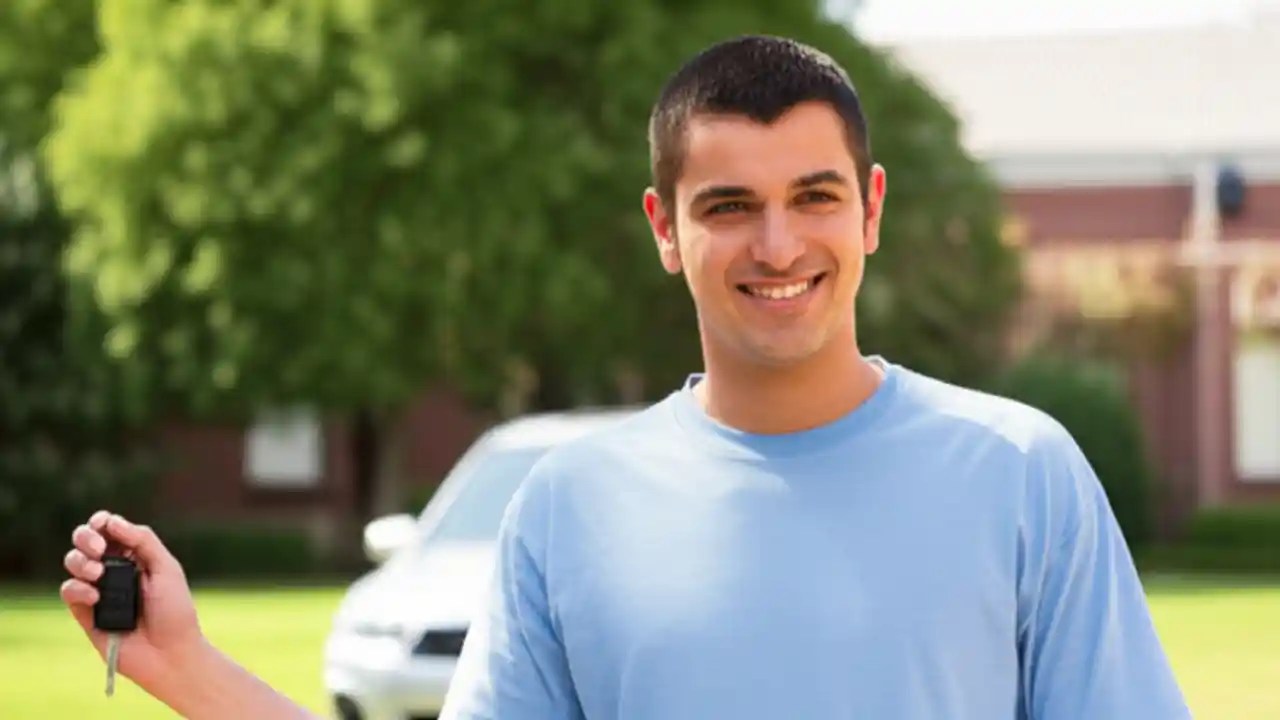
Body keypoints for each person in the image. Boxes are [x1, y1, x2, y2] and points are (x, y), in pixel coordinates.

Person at [61, 35, 1190, 720]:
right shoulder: (573, 504)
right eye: (728, 207)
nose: (778, 246)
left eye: (812, 197)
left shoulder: (1018, 472)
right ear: (663, 227)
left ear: (871, 207)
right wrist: (186, 667)